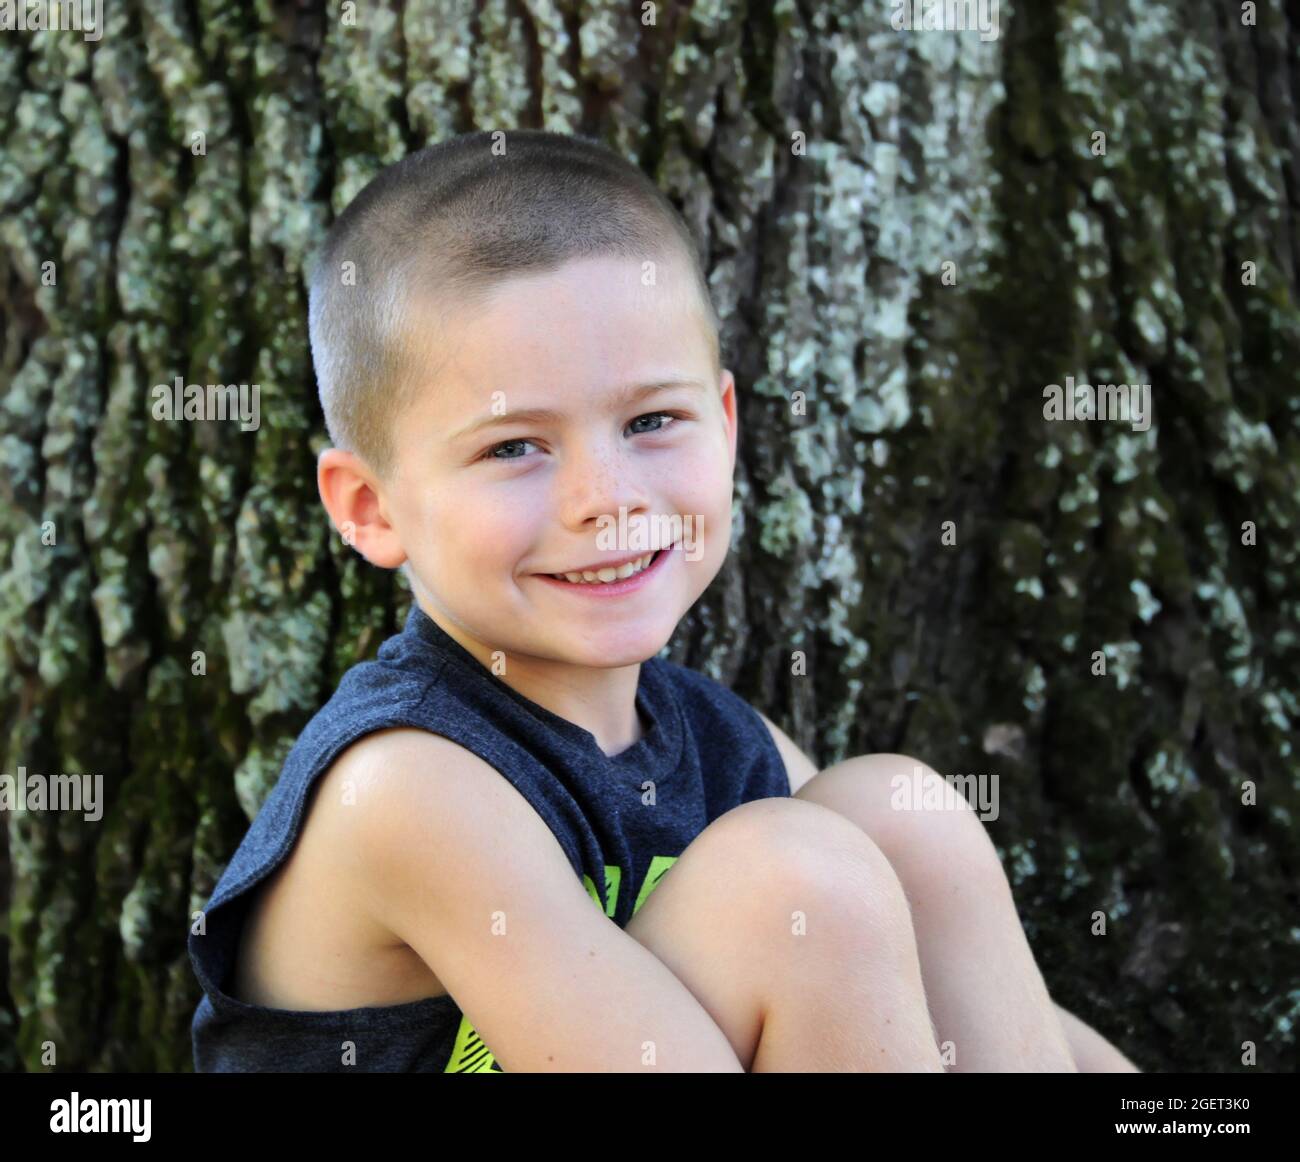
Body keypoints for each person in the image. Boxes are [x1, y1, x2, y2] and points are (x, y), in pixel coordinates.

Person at [188, 128, 1139, 1073]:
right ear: (371, 507)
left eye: (651, 421)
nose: (607, 497)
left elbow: (1011, 1013)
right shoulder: (406, 790)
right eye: (513, 446)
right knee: (797, 886)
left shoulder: (720, 742)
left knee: (900, 816)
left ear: (723, 426)